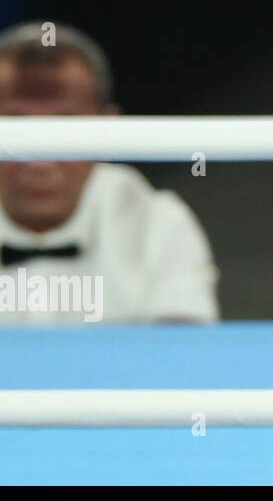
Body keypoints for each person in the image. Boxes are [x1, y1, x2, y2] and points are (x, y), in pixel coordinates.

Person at [0, 21, 219, 324]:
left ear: (108, 129)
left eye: (66, 125)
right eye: (16, 126)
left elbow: (182, 362)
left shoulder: (158, 223)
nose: (40, 160)